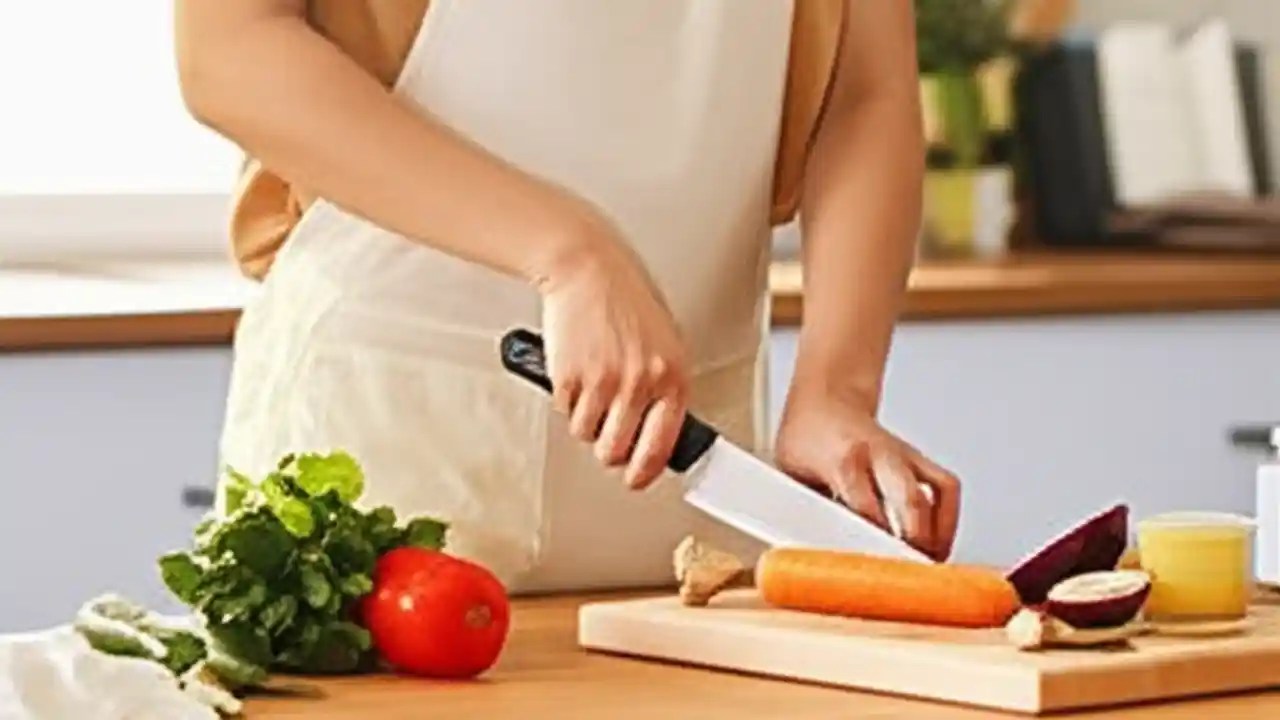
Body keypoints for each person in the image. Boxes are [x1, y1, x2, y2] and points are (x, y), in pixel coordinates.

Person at [175, 0, 961, 592]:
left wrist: (836, 389)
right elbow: (229, 50)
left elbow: (867, 93)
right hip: (378, 431)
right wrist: (567, 251)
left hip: (684, 463)